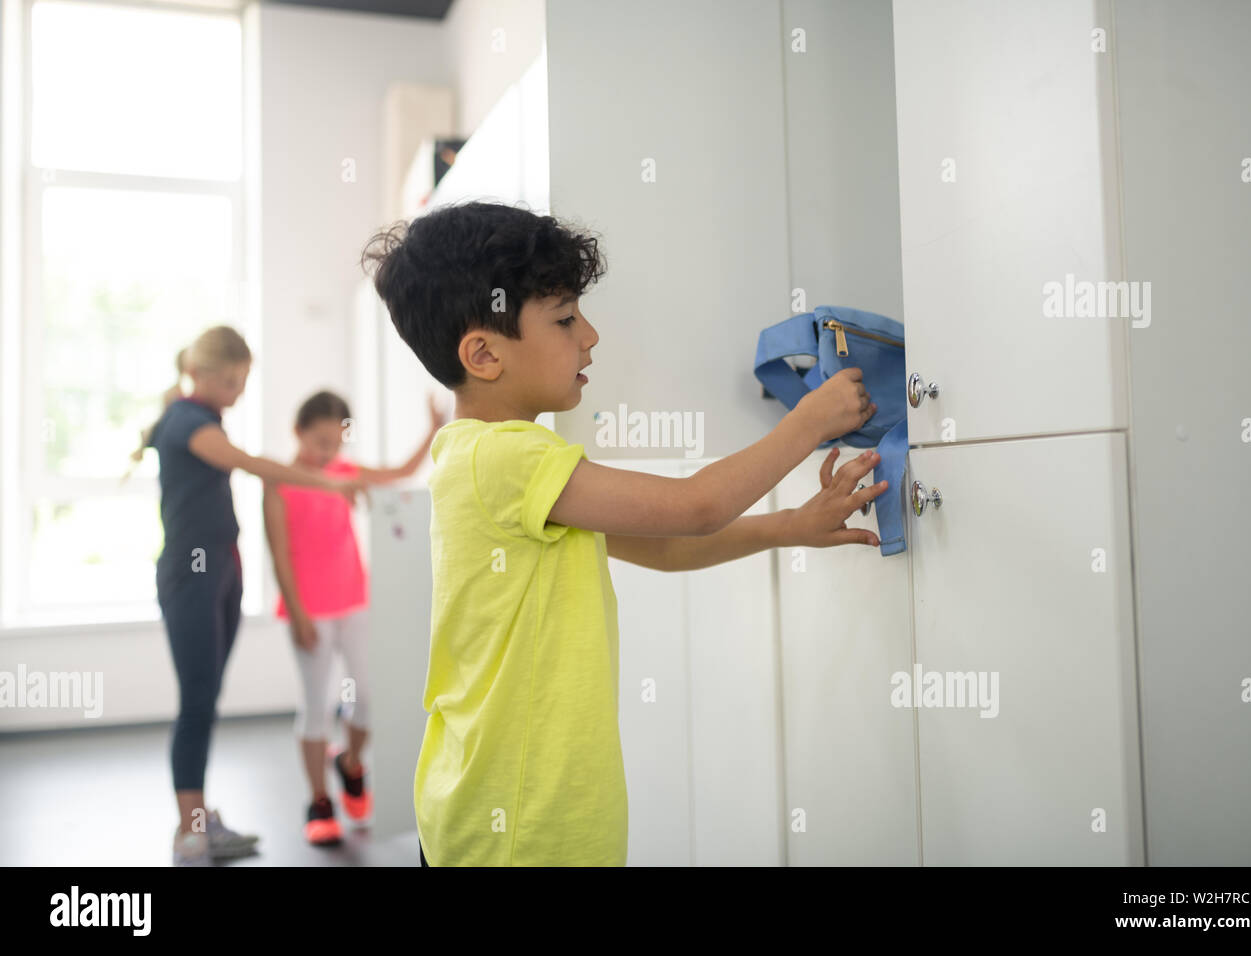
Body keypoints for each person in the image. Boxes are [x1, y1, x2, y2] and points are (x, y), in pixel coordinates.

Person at [360, 200, 886, 866]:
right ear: (484, 353)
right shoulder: (506, 459)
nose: (591, 335)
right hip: (519, 824)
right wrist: (808, 421)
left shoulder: (501, 463)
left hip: (520, 809)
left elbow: (666, 546)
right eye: (564, 319)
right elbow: (695, 506)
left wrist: (791, 525)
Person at [128, 325, 369, 866]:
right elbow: (253, 464)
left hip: (220, 572)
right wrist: (329, 481)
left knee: (206, 698)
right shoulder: (188, 421)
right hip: (192, 577)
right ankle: (190, 832)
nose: (239, 393)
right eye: (233, 382)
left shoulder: (203, 416)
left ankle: (199, 819)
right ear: (206, 374)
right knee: (196, 702)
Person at [262, 389, 443, 846]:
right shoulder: (279, 482)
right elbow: (280, 556)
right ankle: (319, 802)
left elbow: (402, 472)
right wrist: (299, 615)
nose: (328, 451)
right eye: (320, 441)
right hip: (309, 612)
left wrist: (432, 429)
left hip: (354, 602)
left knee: (367, 694)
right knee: (317, 706)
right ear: (298, 432)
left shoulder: (346, 472)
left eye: (336, 442)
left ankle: (351, 764)